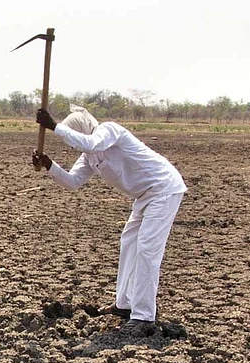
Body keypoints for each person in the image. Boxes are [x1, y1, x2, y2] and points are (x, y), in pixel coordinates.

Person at [32, 105, 186, 334]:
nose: (74, 145)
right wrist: (49, 165)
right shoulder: (89, 158)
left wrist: (54, 126)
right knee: (128, 243)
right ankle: (124, 305)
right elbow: (73, 181)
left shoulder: (109, 131)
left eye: (74, 139)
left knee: (147, 249)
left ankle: (144, 317)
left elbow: (91, 143)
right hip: (144, 196)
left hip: (163, 189)